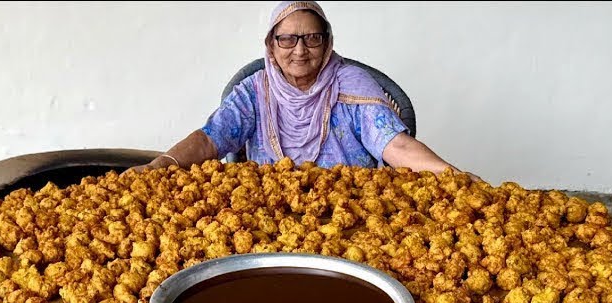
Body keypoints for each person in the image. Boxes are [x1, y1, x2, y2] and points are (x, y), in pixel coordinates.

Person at [130, 0, 466, 175]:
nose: (300, 50)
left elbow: (397, 147)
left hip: (350, 221)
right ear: (271, 45)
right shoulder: (254, 92)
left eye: (311, 38)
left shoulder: (352, 85)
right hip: (266, 219)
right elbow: (210, 137)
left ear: (328, 42)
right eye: (287, 39)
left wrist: (456, 177)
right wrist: (161, 164)